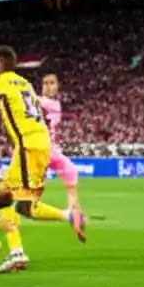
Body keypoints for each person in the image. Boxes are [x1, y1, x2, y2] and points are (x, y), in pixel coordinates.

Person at [0, 46, 85, 274]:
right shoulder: (25, 83)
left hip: (28, 144)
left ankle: (16, 252)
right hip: (40, 143)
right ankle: (67, 216)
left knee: (11, 201)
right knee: (16, 200)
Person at [34, 74, 88, 242]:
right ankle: (71, 213)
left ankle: (73, 210)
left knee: (71, 172)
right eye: (45, 83)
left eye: (52, 83)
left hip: (50, 150)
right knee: (30, 201)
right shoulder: (42, 102)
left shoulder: (52, 104)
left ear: (57, 86)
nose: (48, 86)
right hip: (39, 151)